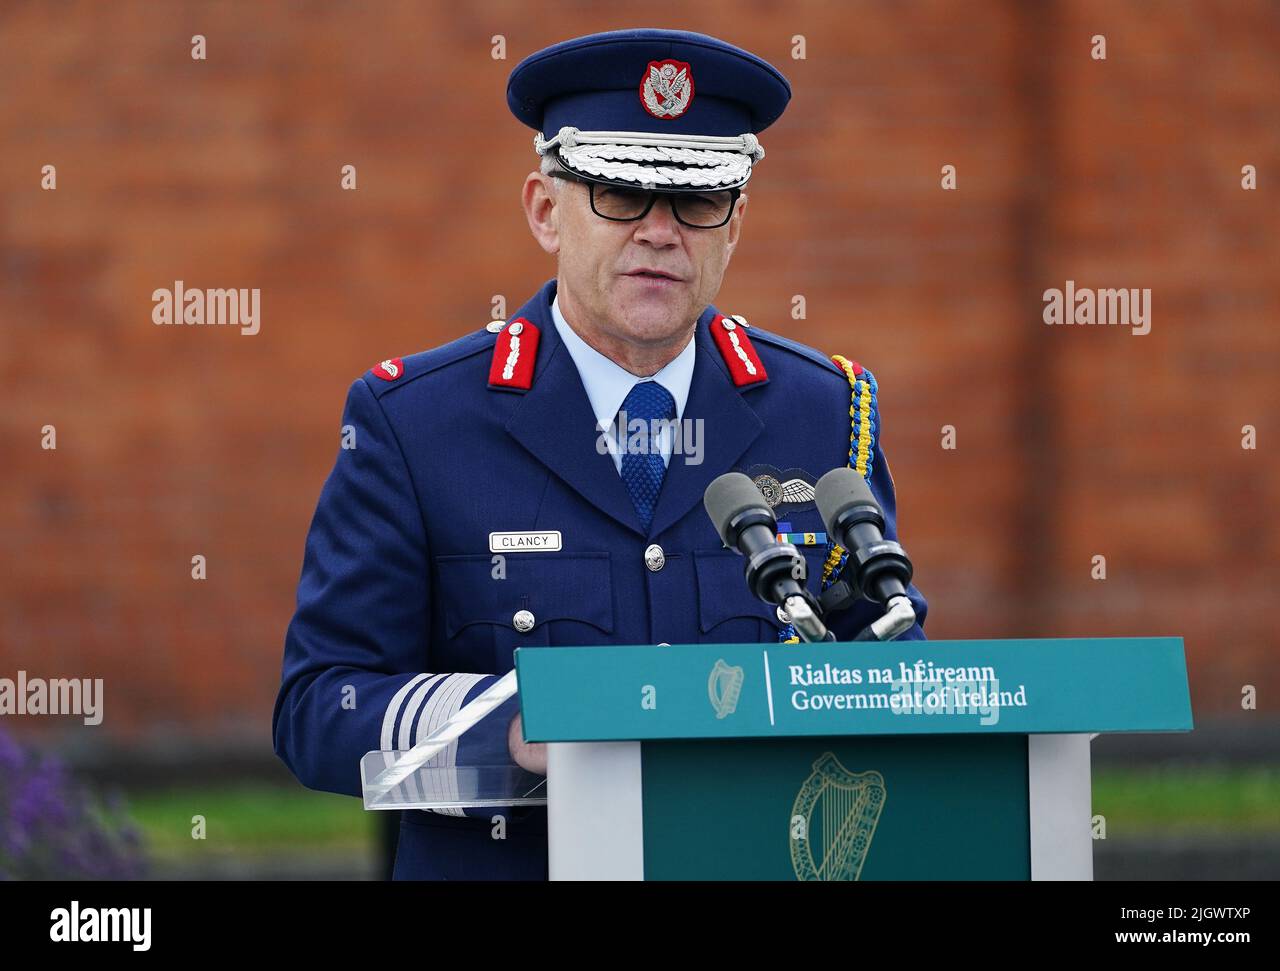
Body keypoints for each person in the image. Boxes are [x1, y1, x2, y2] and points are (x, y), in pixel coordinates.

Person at [273, 27, 927, 881]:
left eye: (696, 200)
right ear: (546, 211)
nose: (660, 232)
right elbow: (320, 705)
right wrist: (511, 726)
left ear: (735, 225)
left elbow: (895, 665)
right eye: (621, 194)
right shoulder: (416, 421)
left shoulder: (825, 410)